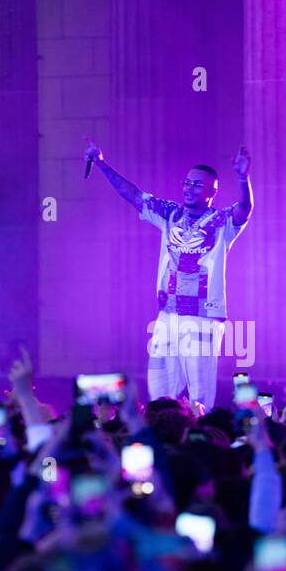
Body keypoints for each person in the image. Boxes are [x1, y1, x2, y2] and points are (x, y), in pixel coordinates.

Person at [84, 138, 253, 411]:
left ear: (212, 191)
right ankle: (163, 434)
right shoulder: (170, 214)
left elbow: (244, 210)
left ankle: (200, 440)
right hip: (167, 315)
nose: (189, 188)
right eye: (187, 182)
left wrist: (243, 180)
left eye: (197, 184)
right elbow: (134, 195)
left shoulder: (222, 222)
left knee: (199, 394)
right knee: (160, 390)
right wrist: (101, 164)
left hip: (202, 317)